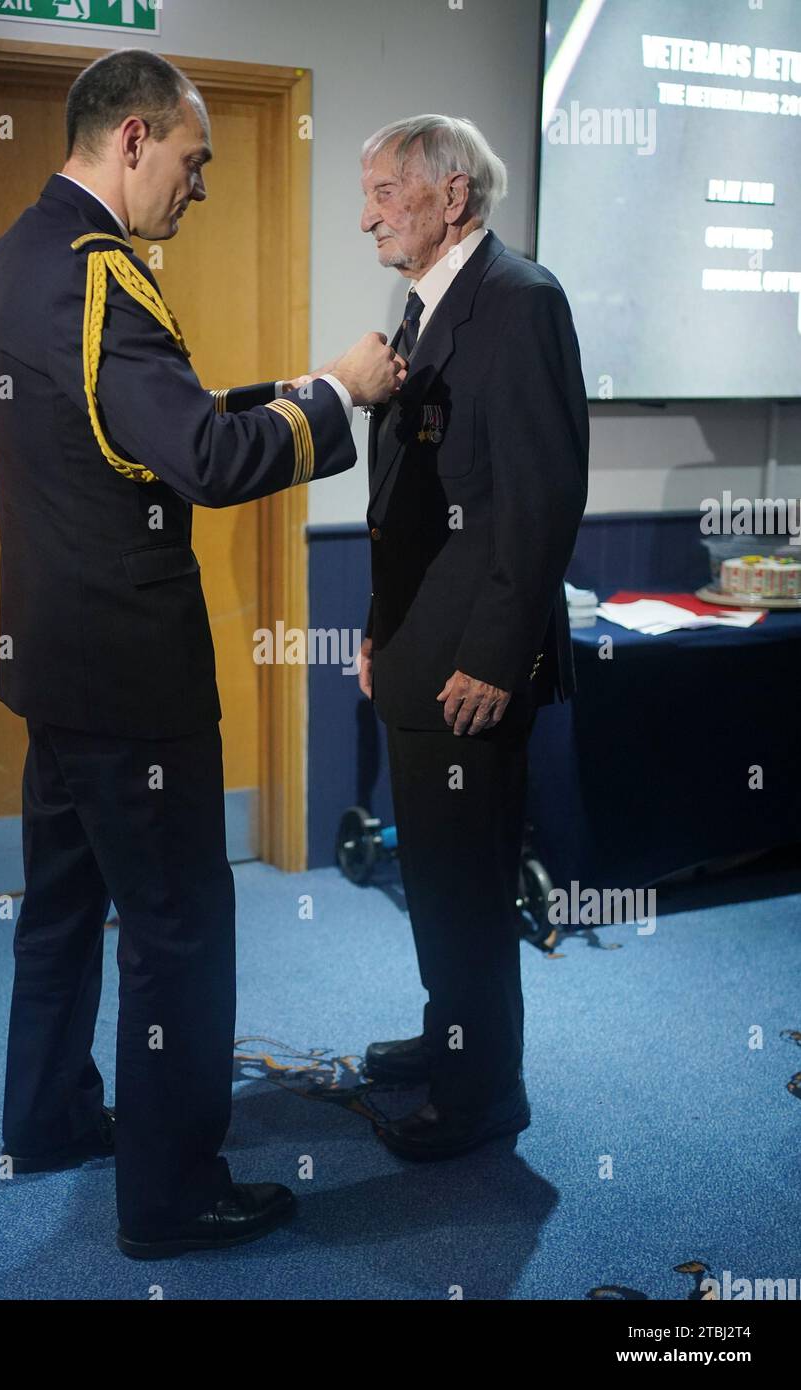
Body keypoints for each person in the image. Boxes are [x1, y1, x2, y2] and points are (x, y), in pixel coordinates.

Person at [0, 48, 403, 1259]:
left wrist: (297, 386)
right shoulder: (102, 279)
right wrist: (337, 398)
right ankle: (171, 1196)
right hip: (130, 681)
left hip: (54, 665)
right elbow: (207, 462)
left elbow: (151, 422)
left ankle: (49, 1116)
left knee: (60, 910)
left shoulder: (21, 259)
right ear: (132, 139)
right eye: (193, 160)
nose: (198, 187)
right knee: (175, 930)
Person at [355, 114, 589, 1160]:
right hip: (414, 648)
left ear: (452, 197)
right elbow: (402, 503)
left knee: (468, 885)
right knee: (437, 882)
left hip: (470, 664)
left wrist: (498, 656)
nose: (366, 216)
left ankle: (483, 1092)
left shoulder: (520, 300)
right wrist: (374, 628)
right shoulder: (420, 308)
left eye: (385, 194)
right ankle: (449, 1035)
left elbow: (539, 502)